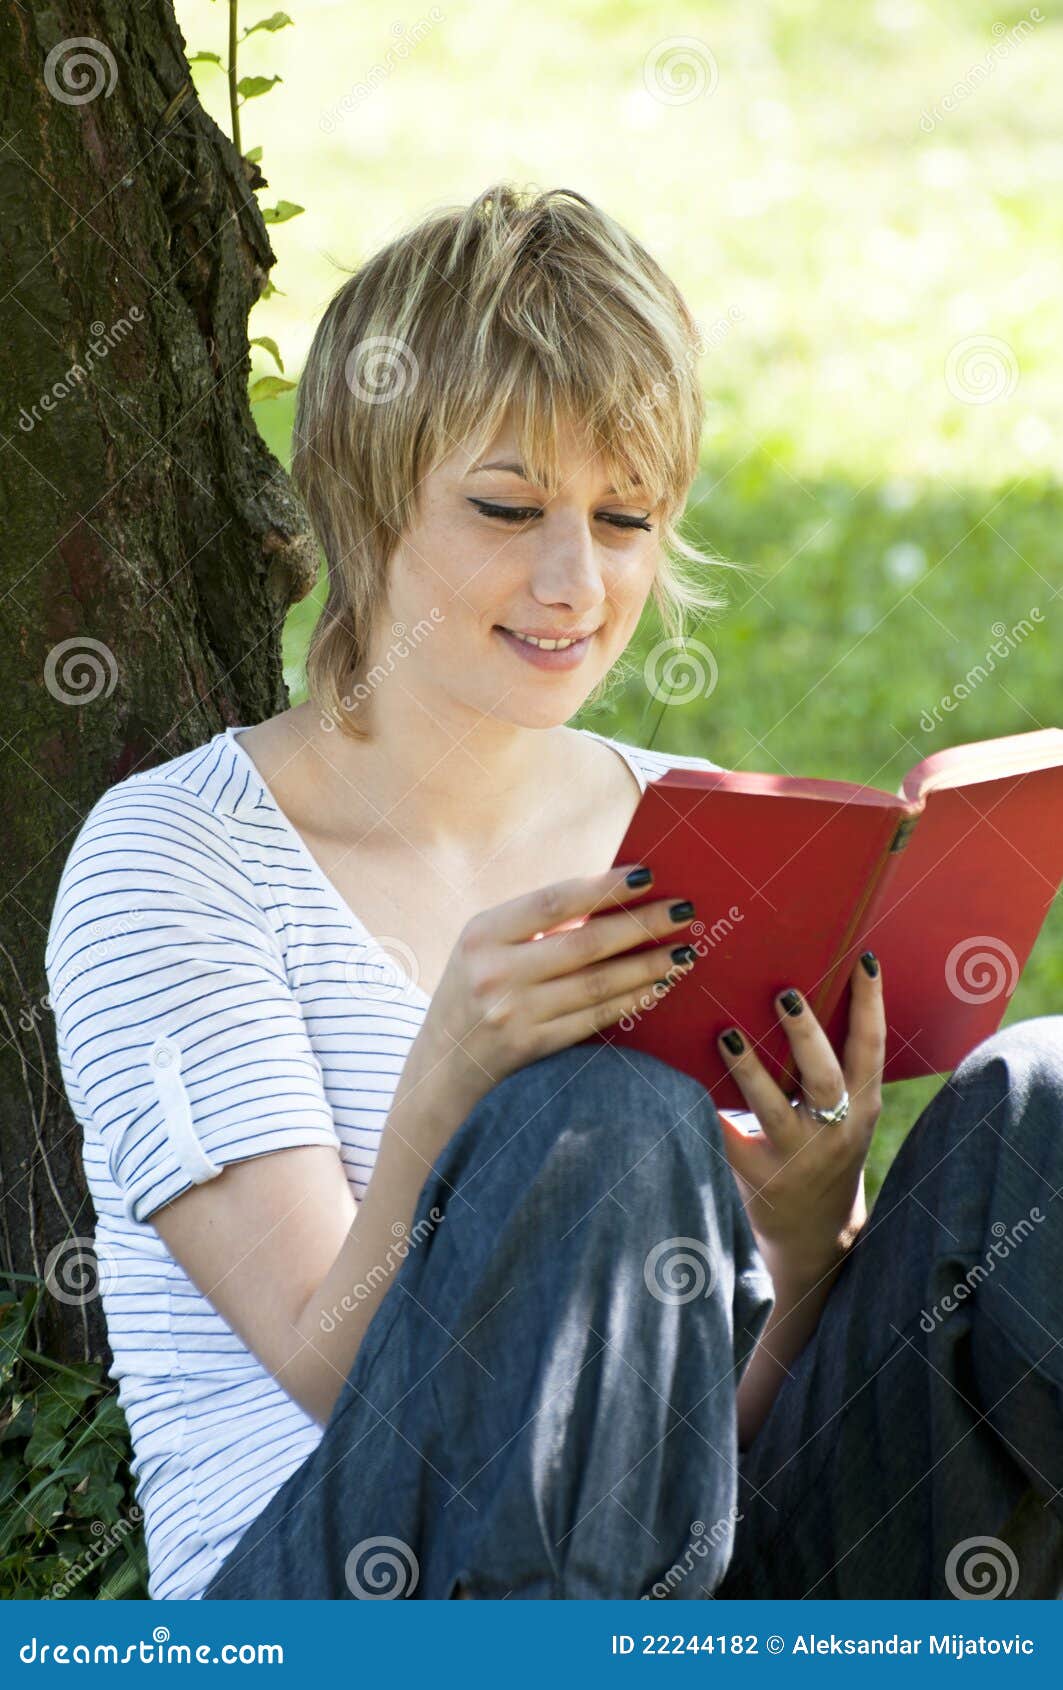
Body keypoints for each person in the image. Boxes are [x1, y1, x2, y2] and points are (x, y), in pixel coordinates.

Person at [46, 183, 1063, 1602]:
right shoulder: (175, 860)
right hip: (324, 1599)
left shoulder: (693, 824)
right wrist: (451, 1088)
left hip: (654, 1592)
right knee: (599, 1116)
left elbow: (702, 1445)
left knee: (1046, 1110)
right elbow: (323, 1366)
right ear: (363, 496)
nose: (575, 580)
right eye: (509, 507)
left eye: (626, 516)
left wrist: (805, 1229)